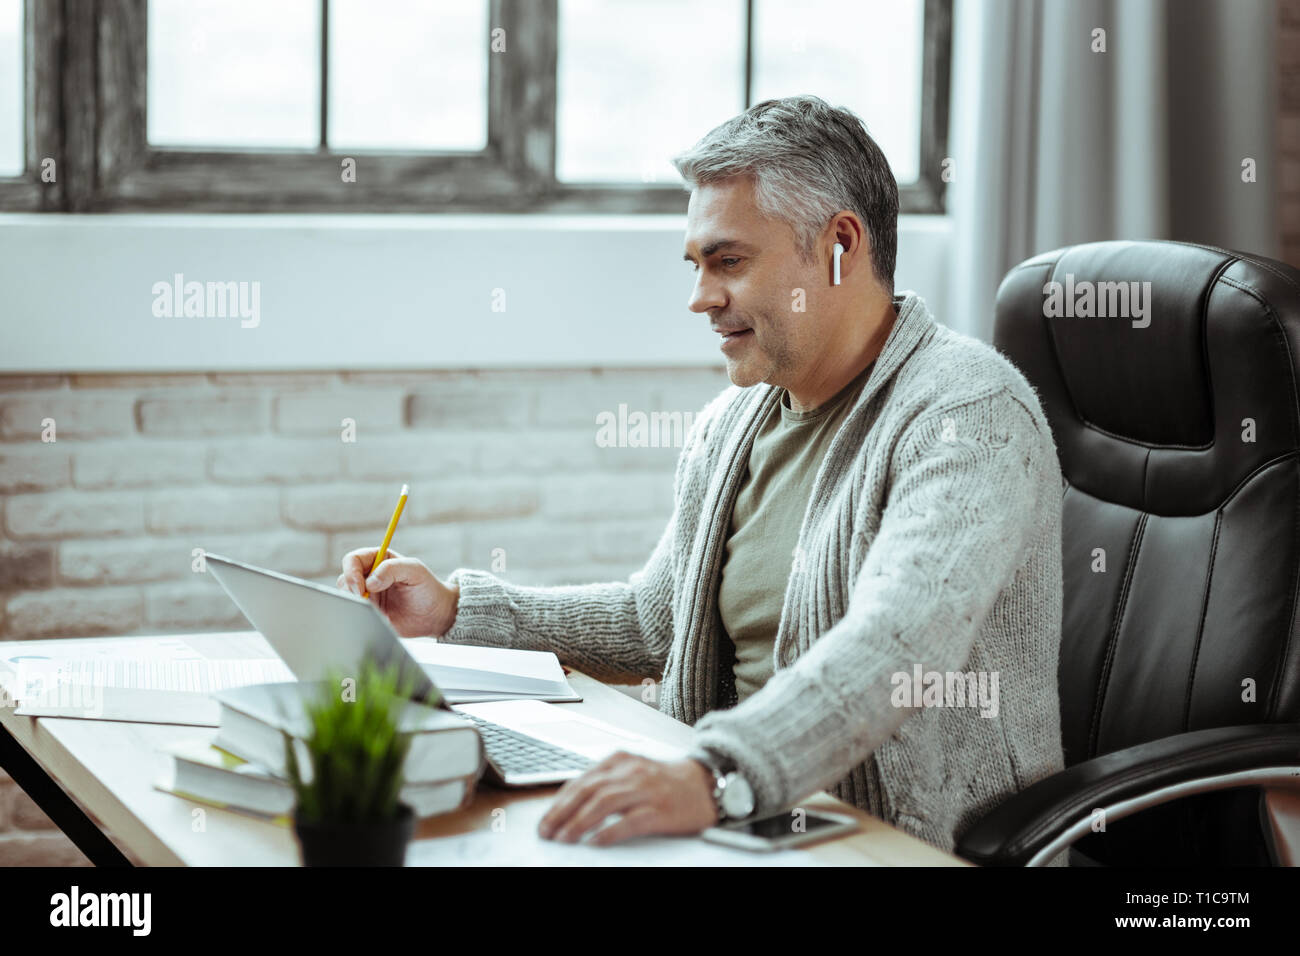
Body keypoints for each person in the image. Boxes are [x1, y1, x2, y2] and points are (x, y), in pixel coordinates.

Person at [338, 94, 1067, 864]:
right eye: (696, 265)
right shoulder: (734, 423)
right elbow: (659, 621)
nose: (700, 298)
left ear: (839, 246)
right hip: (740, 819)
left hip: (894, 841)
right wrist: (457, 610)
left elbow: (896, 645)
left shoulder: (968, 413)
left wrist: (713, 774)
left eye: (728, 262)